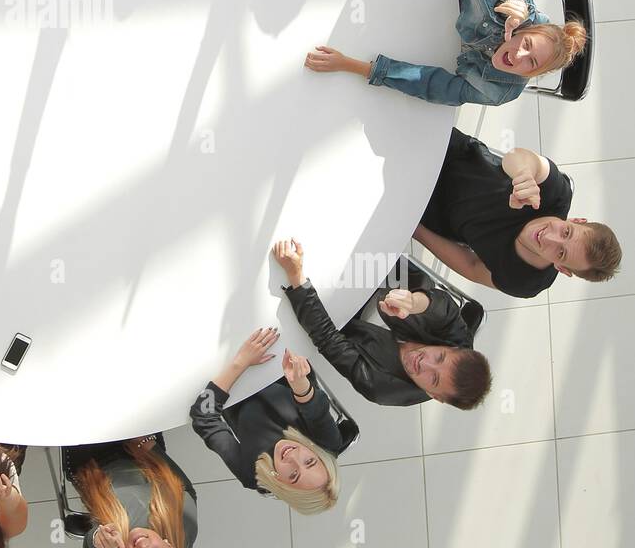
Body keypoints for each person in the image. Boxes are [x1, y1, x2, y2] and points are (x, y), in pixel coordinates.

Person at [273, 239, 492, 409]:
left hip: (342, 314)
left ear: (435, 396)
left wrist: (296, 277)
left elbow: (328, 339)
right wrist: (414, 303)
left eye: (433, 379)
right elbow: (444, 307)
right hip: (381, 273)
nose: (424, 362)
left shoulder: (381, 388)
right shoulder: (459, 344)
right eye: (440, 357)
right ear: (453, 347)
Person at [305, 0, 587, 107]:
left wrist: (350, 65)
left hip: (418, 41)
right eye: (526, 45)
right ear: (524, 30)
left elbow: (432, 85)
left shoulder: (501, 91)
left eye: (532, 63)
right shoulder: (516, 15)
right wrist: (513, 1)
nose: (520, 57)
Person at [416, 132, 622, 297]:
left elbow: (472, 267)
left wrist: (416, 230)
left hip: (425, 211)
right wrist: (524, 174)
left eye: (561, 253)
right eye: (566, 232)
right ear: (576, 220)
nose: (549, 238)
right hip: (448, 152)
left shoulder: (526, 281)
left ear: (562, 268)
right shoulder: (556, 194)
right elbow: (518, 156)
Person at [190, 327, 348, 513]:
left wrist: (241, 363)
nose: (293, 457)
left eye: (293, 475)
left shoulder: (253, 474)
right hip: (273, 356)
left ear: (281, 484)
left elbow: (203, 417)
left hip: (228, 377)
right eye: (309, 462)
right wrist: (301, 387)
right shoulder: (327, 442)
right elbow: (310, 401)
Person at [70, 436, 197, 548]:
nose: (143, 546)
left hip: (89, 458)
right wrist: (148, 445)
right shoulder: (185, 531)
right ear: (170, 547)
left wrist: (99, 541)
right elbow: (184, 489)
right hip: (139, 448)